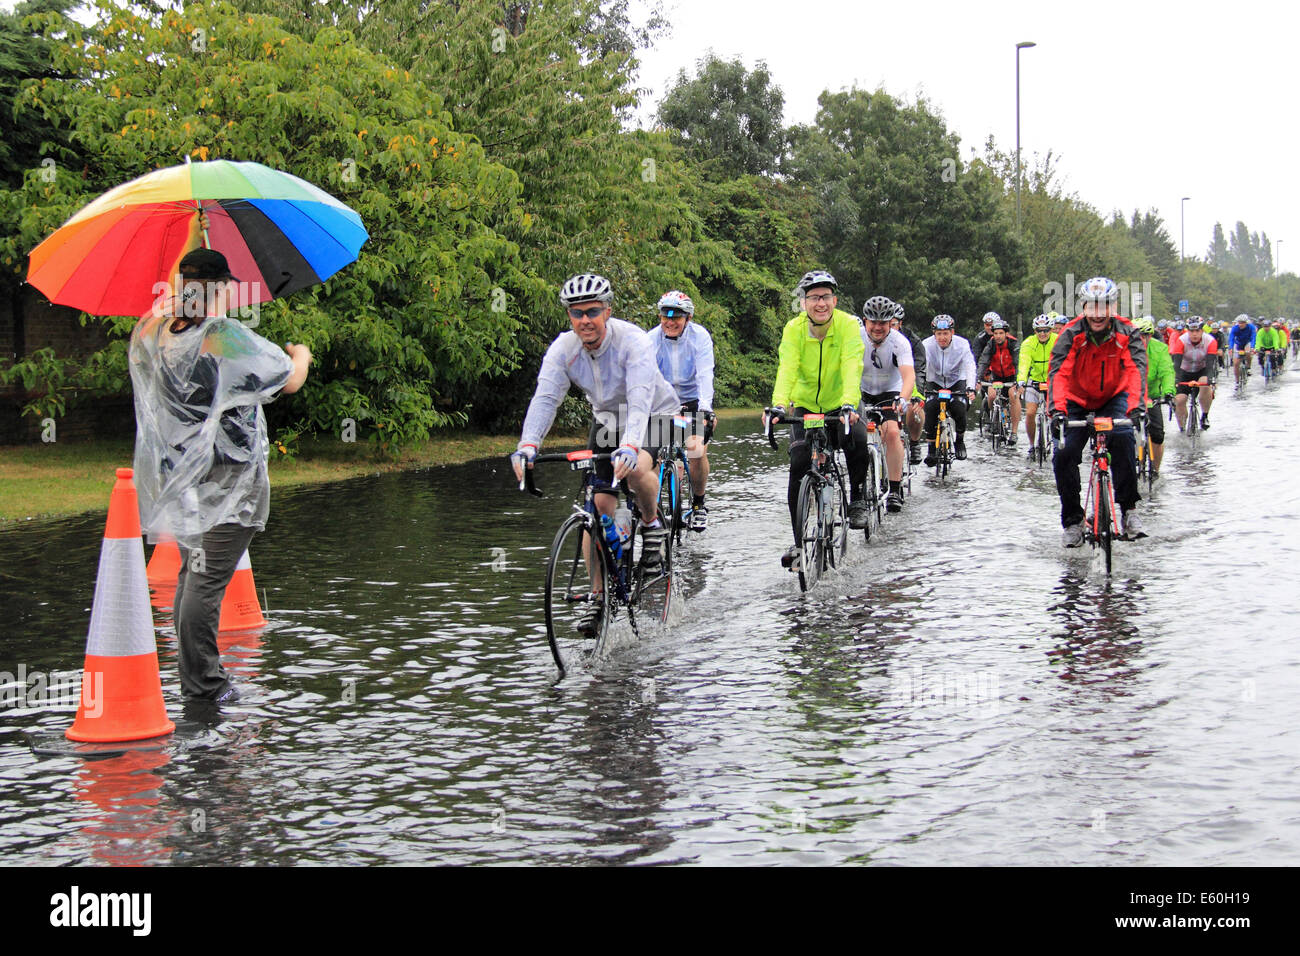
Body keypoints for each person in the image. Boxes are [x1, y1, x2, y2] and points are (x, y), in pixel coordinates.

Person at [129, 248, 311, 703]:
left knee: (195, 574)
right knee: (206, 581)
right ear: (216, 288)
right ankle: (204, 685)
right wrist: (301, 355)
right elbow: (288, 380)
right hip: (231, 477)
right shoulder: (222, 335)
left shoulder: (158, 331)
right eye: (225, 284)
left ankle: (196, 676)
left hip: (189, 474)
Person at [512, 274, 678, 629]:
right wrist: (528, 445)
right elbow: (546, 397)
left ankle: (651, 524)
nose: (584, 320)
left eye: (592, 311)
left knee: (634, 471)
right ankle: (598, 597)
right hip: (606, 420)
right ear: (569, 316)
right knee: (596, 510)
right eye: (577, 313)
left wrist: (631, 445)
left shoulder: (633, 341)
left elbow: (639, 398)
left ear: (607, 311)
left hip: (654, 413)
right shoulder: (563, 349)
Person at [769, 270, 869, 569]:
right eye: (813, 298)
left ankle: (859, 498)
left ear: (834, 300)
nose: (820, 303)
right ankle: (799, 543)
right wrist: (778, 405)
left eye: (825, 297)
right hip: (806, 406)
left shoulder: (849, 325)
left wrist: (850, 402)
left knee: (858, 438)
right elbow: (787, 367)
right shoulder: (793, 329)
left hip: (842, 403)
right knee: (799, 463)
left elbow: (853, 364)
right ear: (803, 303)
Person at [1048, 276, 1148, 546]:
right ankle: (1072, 521)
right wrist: (1057, 411)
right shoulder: (1070, 334)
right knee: (1064, 452)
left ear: (1113, 306)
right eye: (1092, 306)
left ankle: (1129, 510)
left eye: (1104, 306)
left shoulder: (1128, 332)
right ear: (1083, 307)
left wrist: (1137, 408)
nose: (1098, 313)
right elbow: (1058, 374)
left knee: (1124, 437)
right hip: (1076, 400)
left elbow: (1136, 371)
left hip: (1114, 397)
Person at [646, 289, 715, 530]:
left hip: (693, 401)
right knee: (649, 454)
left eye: (676, 317)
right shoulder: (651, 339)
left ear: (688, 318)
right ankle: (649, 507)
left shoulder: (700, 337)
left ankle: (698, 504)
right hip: (661, 402)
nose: (670, 322)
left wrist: (706, 409)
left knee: (695, 449)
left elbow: (705, 374)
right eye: (665, 316)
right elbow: (643, 377)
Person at [858, 295, 916, 512]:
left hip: (891, 391)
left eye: (883, 323)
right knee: (855, 437)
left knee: (892, 432)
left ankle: (894, 488)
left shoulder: (899, 342)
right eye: (873, 322)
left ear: (891, 322)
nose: (878, 327)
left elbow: (908, 375)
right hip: (862, 391)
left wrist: (903, 398)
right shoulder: (856, 337)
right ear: (865, 320)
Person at [920, 314, 977, 465]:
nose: (942, 337)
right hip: (935, 380)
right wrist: (920, 388)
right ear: (934, 334)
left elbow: (970, 365)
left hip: (956, 381)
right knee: (931, 408)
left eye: (945, 333)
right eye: (939, 334)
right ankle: (931, 448)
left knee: (959, 408)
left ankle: (959, 440)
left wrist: (971, 387)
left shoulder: (962, 344)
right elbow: (920, 367)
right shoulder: (926, 345)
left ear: (952, 332)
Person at [1134, 316, 1174, 478]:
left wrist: (1168, 392)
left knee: (1157, 435)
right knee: (1121, 433)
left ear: (1150, 336)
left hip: (1152, 396)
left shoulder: (1159, 349)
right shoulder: (1123, 349)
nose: (1141, 340)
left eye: (1144, 336)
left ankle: (1155, 470)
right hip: (1131, 396)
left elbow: (1167, 372)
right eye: (1137, 336)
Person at [890, 303, 927, 464]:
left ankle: (914, 441)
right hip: (885, 384)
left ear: (900, 323)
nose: (889, 329)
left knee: (914, 408)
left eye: (893, 325)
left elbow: (917, 371)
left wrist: (916, 396)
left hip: (907, 381)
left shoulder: (913, 341)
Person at [976, 316, 1022, 445]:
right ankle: (994, 418)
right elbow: (984, 361)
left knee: (1013, 396)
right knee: (991, 396)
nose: (998, 336)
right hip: (996, 377)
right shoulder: (991, 344)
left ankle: (1014, 432)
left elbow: (1018, 363)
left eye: (1001, 333)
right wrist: (978, 378)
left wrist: (1018, 380)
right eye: (995, 333)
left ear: (1006, 334)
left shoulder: (1013, 344)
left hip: (1011, 377)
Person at [1169, 318, 1218, 429]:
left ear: (1202, 331)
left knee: (1205, 383)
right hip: (1183, 371)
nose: (1194, 334)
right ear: (1188, 331)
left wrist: (1211, 379)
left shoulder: (1210, 341)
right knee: (1179, 400)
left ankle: (1205, 415)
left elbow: (1210, 364)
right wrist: (1176, 379)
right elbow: (1176, 364)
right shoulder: (1181, 340)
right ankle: (1182, 426)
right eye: (1191, 331)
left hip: (1202, 370)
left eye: (1197, 331)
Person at [1228, 313, 1255, 380]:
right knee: (1236, 364)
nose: (1240, 324)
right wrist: (1230, 348)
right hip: (1238, 344)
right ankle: (1237, 381)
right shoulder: (1235, 328)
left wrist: (1252, 347)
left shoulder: (1251, 327)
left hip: (1247, 342)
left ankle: (1248, 367)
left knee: (1248, 353)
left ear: (1246, 323)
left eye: (1242, 323)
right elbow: (1231, 338)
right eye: (1239, 323)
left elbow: (1253, 337)